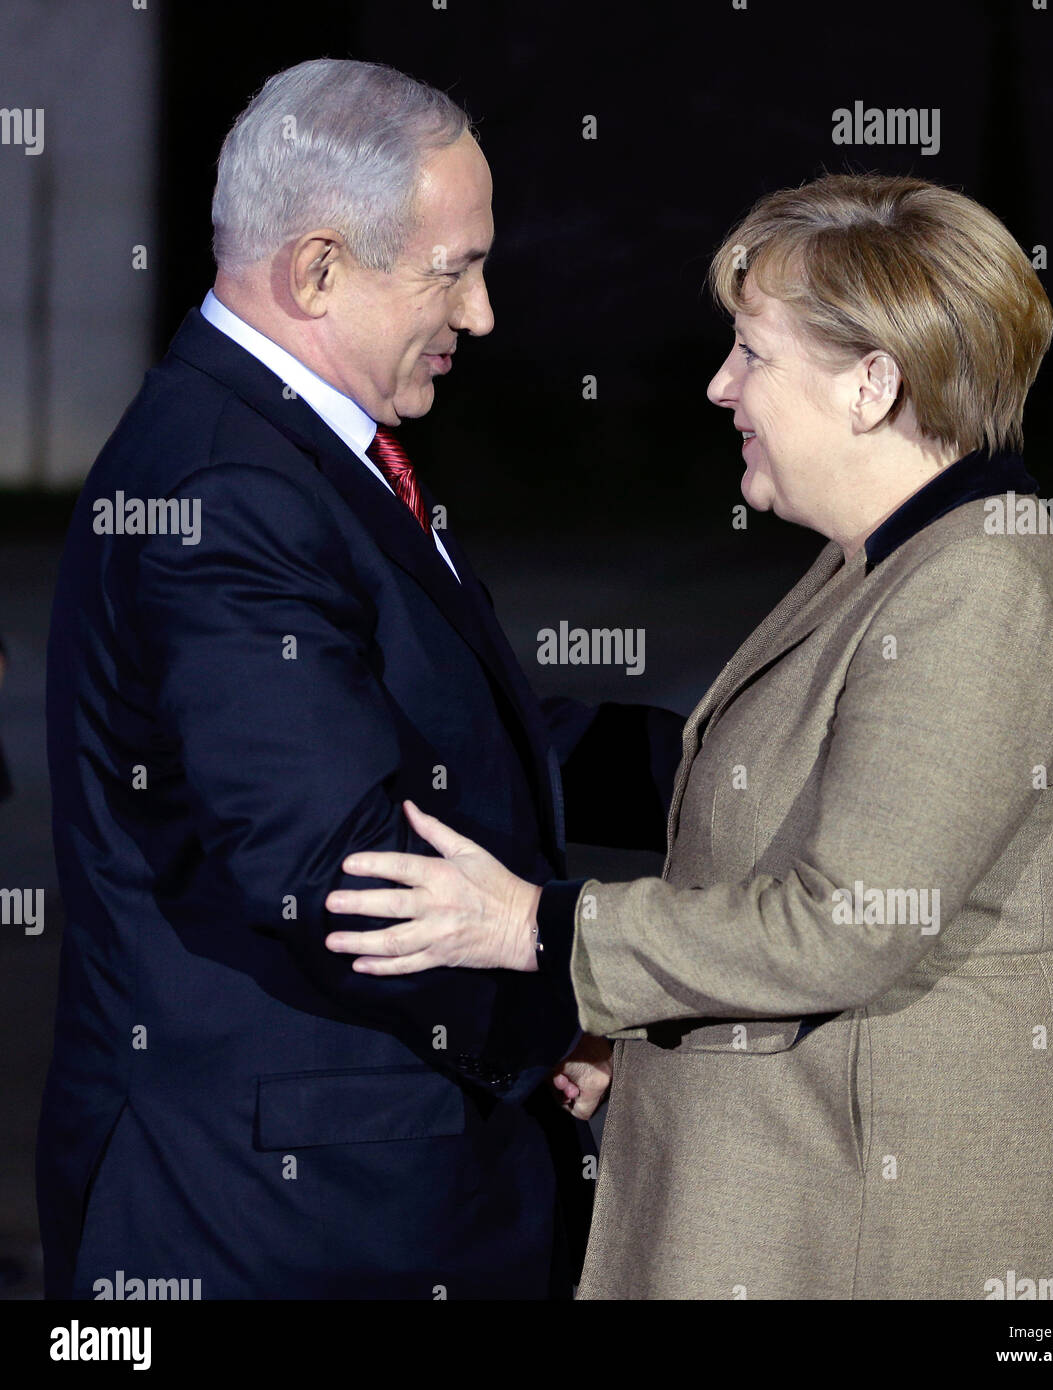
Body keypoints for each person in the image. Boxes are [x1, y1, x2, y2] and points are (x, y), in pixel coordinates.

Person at [324, 173, 1053, 1300]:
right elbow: (767, 828)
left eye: (752, 353)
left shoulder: (974, 593)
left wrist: (537, 927)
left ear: (870, 385)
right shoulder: (885, 560)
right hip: (817, 1196)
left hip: (887, 1232)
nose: (719, 387)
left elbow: (843, 923)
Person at [38, 57, 678, 1300]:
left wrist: (722, 766)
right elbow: (336, 861)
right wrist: (566, 1011)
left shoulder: (286, 450)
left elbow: (428, 740)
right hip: (278, 1219)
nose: (482, 314)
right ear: (319, 269)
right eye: (454, 269)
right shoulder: (227, 491)